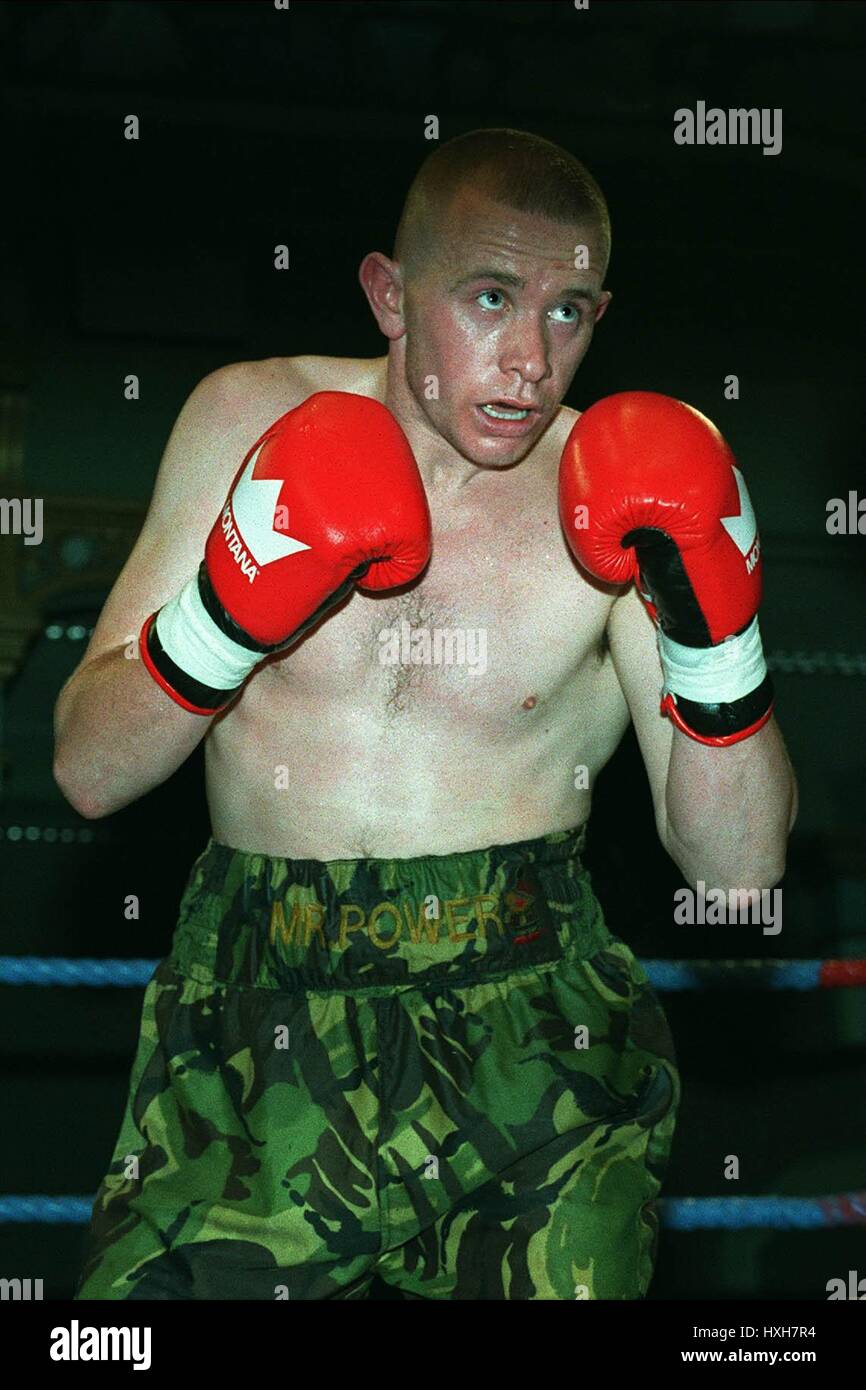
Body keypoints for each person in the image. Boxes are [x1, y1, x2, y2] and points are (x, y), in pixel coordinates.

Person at [55, 127, 797, 1300]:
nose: (530, 357)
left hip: (538, 1025)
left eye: (569, 310)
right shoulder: (238, 417)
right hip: (258, 1006)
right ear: (388, 296)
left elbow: (739, 873)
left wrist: (717, 645)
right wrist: (222, 618)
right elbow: (88, 771)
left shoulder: (618, 499)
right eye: (491, 297)